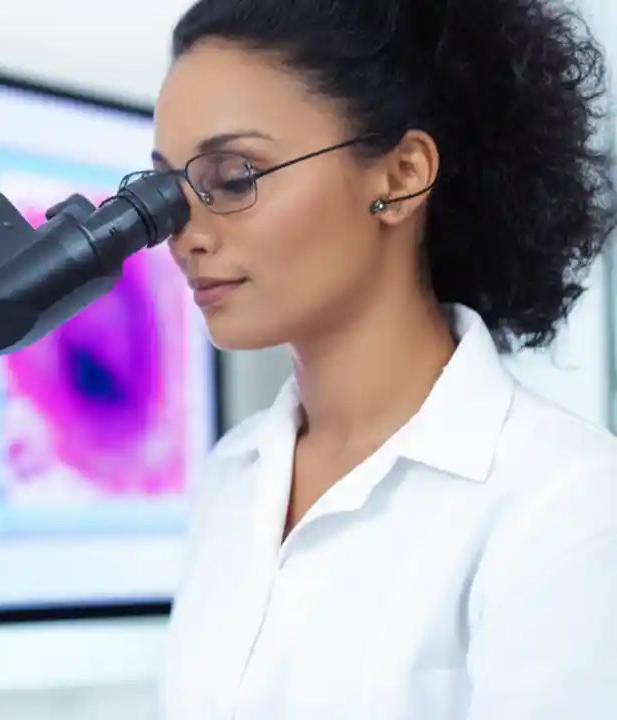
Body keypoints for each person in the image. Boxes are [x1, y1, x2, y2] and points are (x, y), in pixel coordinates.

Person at [153, 1, 617, 718]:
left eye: (235, 177)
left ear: (400, 177)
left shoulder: (563, 500)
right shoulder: (233, 475)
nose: (185, 237)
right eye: (169, 192)